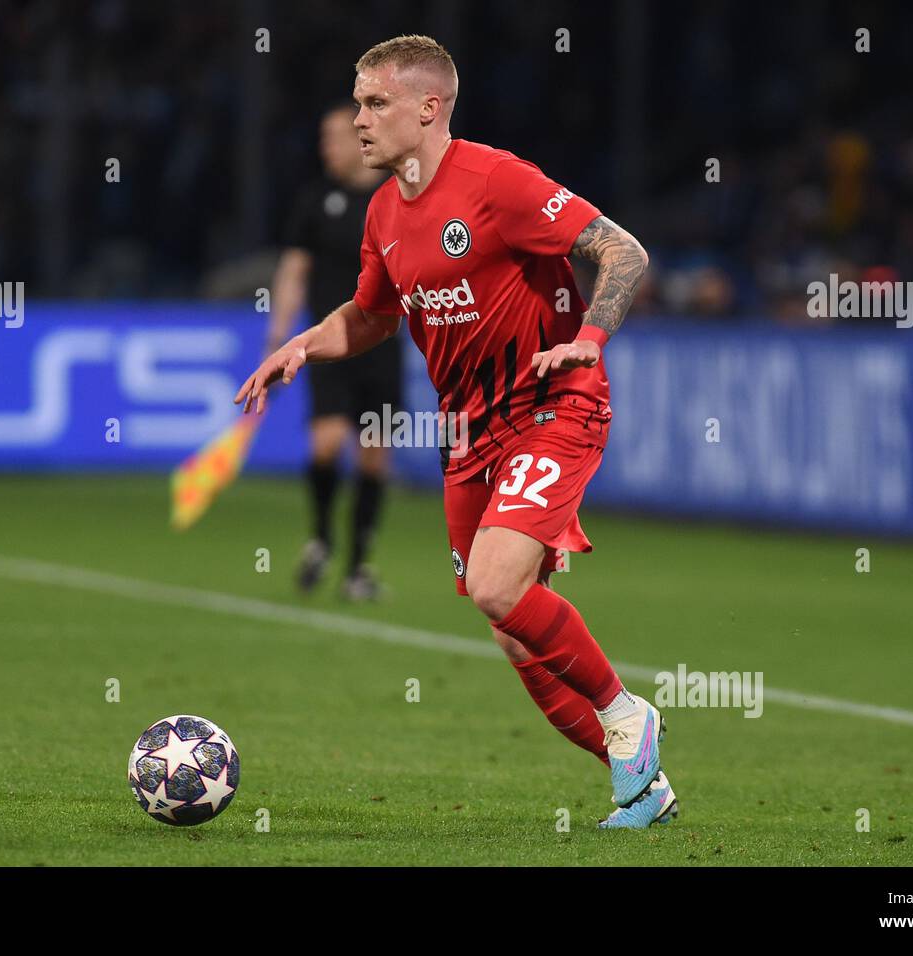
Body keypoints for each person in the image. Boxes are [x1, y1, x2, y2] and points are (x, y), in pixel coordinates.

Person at [236, 35, 670, 829]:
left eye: (376, 104)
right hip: (468, 432)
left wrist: (590, 340)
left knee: (500, 587)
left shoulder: (496, 180)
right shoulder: (382, 210)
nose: (360, 120)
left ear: (429, 108)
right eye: (359, 103)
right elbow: (370, 314)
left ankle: (625, 712)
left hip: (553, 405)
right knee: (510, 629)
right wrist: (301, 344)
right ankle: (641, 787)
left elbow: (622, 250)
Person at [267, 104, 399, 600]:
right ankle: (321, 537)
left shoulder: (395, 197)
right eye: (323, 137)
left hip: (383, 346)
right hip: (331, 344)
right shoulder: (316, 200)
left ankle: (359, 567)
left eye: (336, 137)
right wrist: (279, 335)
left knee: (374, 459)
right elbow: (294, 271)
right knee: (326, 444)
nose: (327, 147)